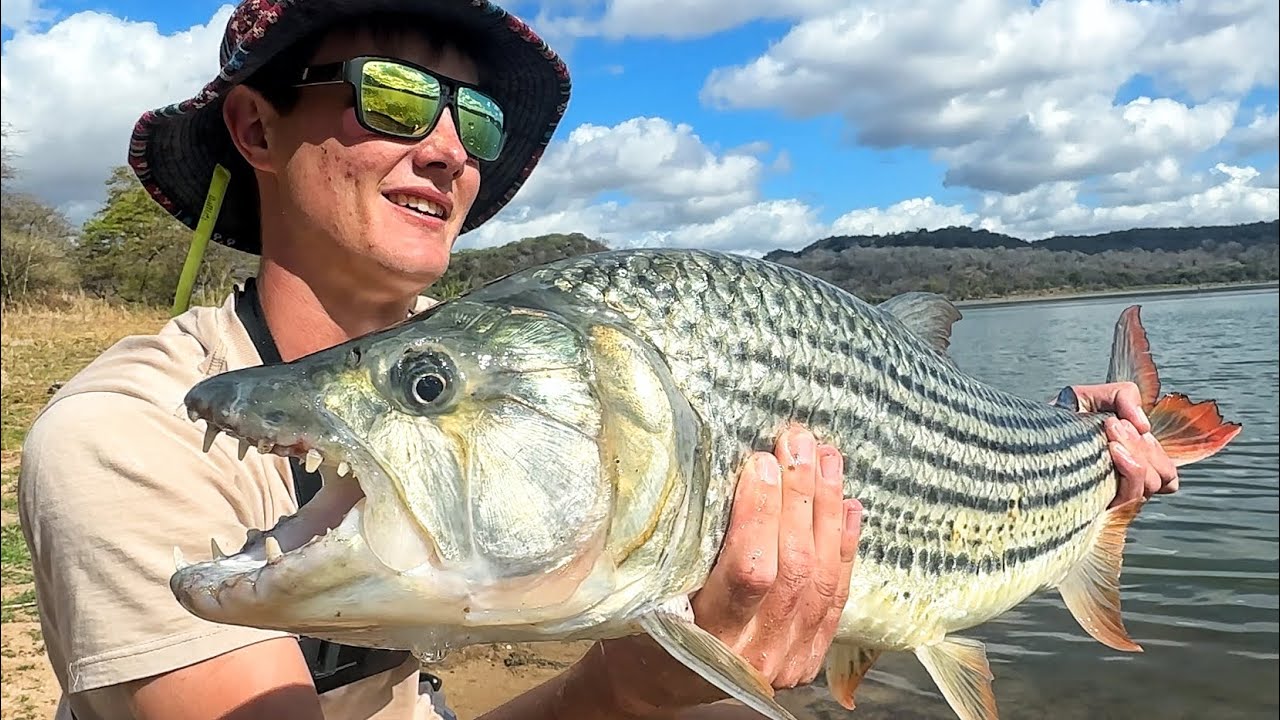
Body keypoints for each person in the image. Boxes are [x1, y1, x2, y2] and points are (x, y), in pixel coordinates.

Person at [15, 1, 1179, 719]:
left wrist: (1070, 449)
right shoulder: (123, 439)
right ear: (256, 129)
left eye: (472, 120)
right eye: (391, 94)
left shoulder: (517, 358)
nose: (442, 146)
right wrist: (641, 686)